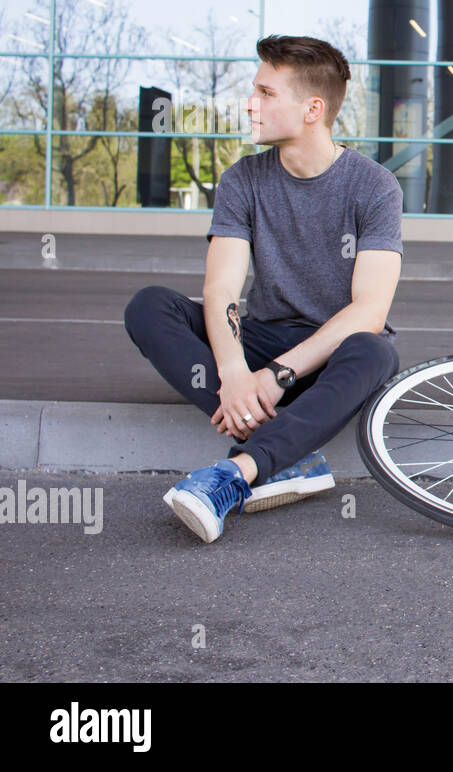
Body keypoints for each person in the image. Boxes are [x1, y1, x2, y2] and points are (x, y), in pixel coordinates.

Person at [124, 35, 404, 543]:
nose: (250, 103)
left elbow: (368, 308)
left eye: (266, 93)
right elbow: (222, 286)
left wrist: (276, 378)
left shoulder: (374, 185)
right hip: (262, 337)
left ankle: (235, 475)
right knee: (150, 307)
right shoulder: (243, 180)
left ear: (312, 109)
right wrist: (234, 373)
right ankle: (293, 453)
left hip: (333, 355)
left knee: (374, 349)